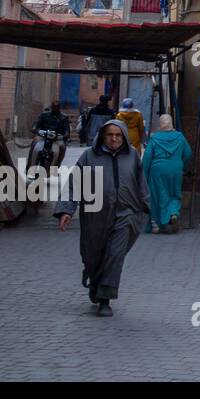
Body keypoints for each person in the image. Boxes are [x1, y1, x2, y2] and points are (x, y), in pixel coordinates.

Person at [54, 119, 149, 317]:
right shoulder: (89, 156)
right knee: (94, 255)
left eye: (118, 135)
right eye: (110, 135)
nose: (114, 139)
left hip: (125, 214)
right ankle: (94, 280)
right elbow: (74, 185)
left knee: (115, 255)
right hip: (95, 216)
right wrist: (66, 210)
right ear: (103, 136)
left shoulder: (132, 156)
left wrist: (148, 209)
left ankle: (105, 299)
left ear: (123, 135)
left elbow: (142, 185)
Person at [141, 114, 191, 234]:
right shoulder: (179, 137)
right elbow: (188, 153)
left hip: (157, 170)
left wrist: (144, 174)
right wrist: (180, 164)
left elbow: (147, 158)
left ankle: (155, 226)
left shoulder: (155, 138)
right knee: (175, 193)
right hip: (175, 169)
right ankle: (173, 213)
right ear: (171, 123)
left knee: (156, 196)